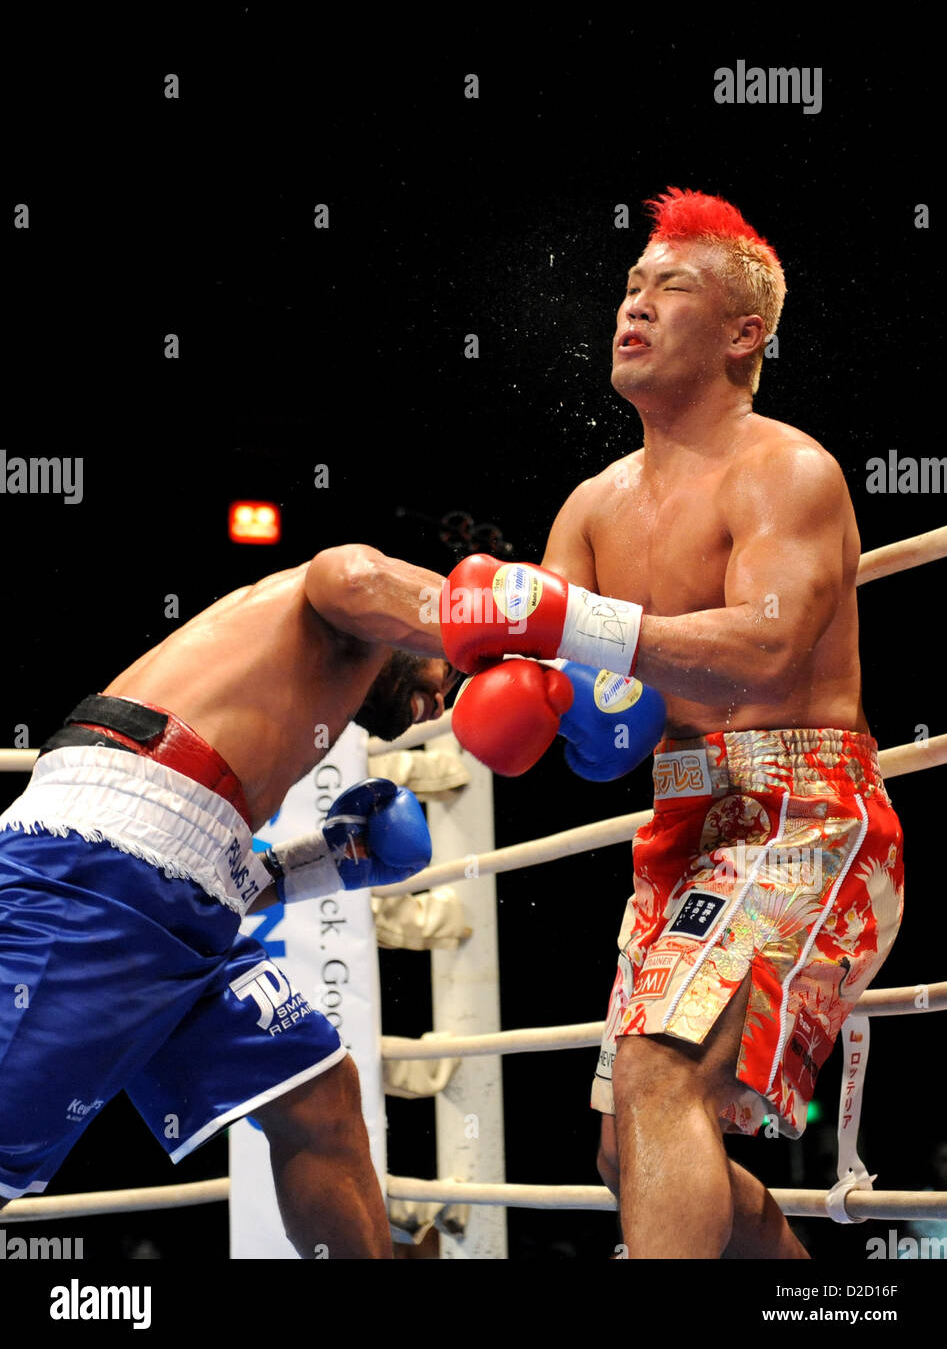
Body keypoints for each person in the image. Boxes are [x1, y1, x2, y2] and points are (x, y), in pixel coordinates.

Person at [440, 187, 905, 1258]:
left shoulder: (784, 469)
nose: (634, 304)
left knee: (660, 1078)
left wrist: (573, 620)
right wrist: (507, 690)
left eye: (671, 287)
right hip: (680, 831)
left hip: (805, 817)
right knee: (626, 1149)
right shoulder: (590, 505)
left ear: (745, 333)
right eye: (629, 286)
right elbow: (568, 693)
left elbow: (765, 653)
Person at [0, 545, 458, 1259]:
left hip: (170, 904)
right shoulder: (346, 600)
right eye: (448, 667)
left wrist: (328, 861)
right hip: (93, 882)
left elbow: (193, 859)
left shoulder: (303, 687)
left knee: (320, 1100)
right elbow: (348, 573)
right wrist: (514, 631)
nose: (449, 694)